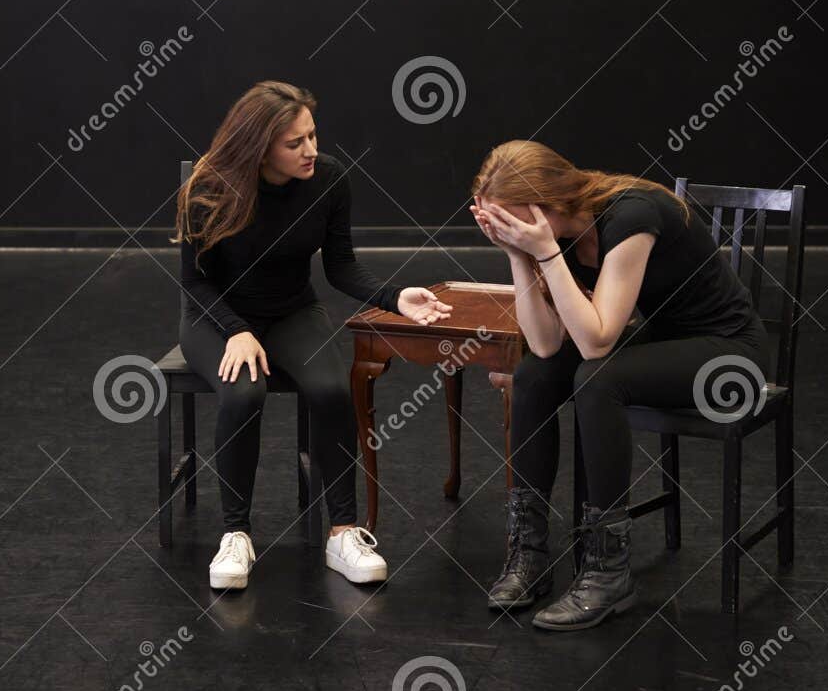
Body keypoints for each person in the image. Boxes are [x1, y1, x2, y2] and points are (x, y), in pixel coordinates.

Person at [467, 140, 770, 630]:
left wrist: (544, 252)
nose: (510, 230)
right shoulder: (558, 234)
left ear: (547, 203)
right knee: (534, 374)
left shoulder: (631, 216)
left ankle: (609, 572)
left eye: (513, 222)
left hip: (732, 356)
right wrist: (517, 255)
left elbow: (596, 341)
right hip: (667, 341)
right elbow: (545, 344)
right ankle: (529, 553)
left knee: (597, 379)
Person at [173, 81, 452, 591]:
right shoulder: (209, 187)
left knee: (330, 390)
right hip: (216, 318)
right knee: (244, 393)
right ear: (260, 148)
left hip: (291, 311)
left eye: (312, 135)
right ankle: (236, 534)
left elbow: (341, 267)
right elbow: (195, 282)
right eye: (294, 142)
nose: (310, 150)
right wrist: (237, 331)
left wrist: (395, 297)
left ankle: (342, 534)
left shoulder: (328, 180)